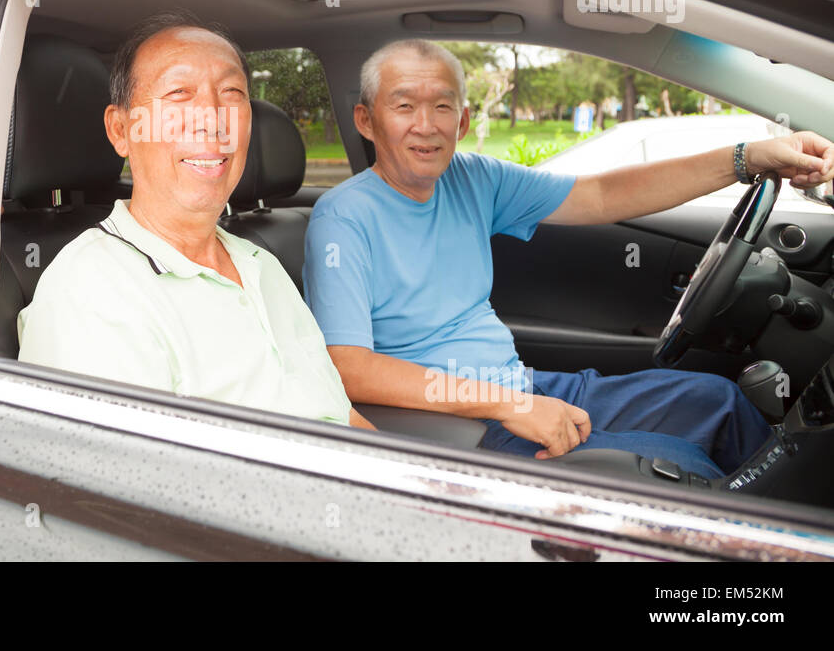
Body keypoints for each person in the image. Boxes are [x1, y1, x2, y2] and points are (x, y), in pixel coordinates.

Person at [304, 39, 834, 476]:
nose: (426, 124)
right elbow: (348, 369)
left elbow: (600, 195)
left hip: (519, 384)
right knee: (681, 470)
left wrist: (748, 158)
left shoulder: (473, 178)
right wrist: (507, 406)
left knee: (716, 403)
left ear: (462, 122)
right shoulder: (342, 219)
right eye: (403, 105)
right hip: (453, 421)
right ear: (366, 121)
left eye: (442, 105)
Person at [18, 13, 373, 429]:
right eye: (179, 92)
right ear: (120, 131)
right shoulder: (90, 291)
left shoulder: (260, 263)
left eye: (232, 92)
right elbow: (127, 484)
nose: (213, 117)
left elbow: (340, 412)